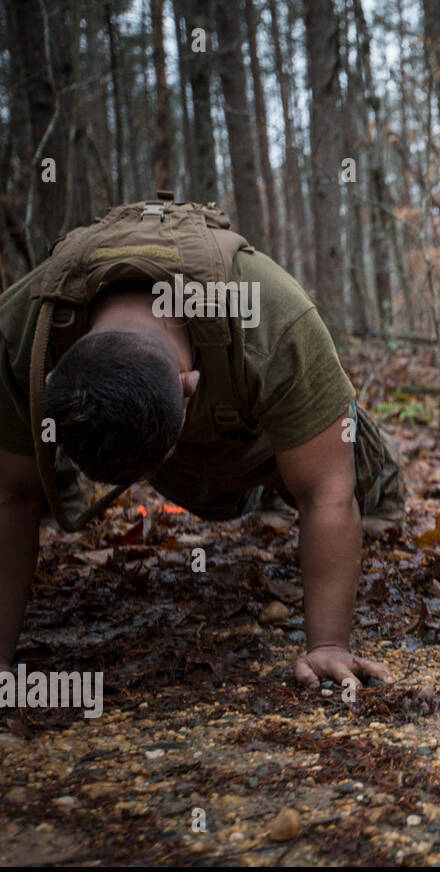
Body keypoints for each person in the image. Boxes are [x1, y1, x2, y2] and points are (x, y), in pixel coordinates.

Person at [0, 196, 406, 691]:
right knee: (24, 472)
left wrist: (327, 646)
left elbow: (327, 492)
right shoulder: (23, 333)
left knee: (360, 467)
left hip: (255, 435)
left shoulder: (271, 316)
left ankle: (272, 499)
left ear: (190, 386)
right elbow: (11, 497)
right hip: (161, 447)